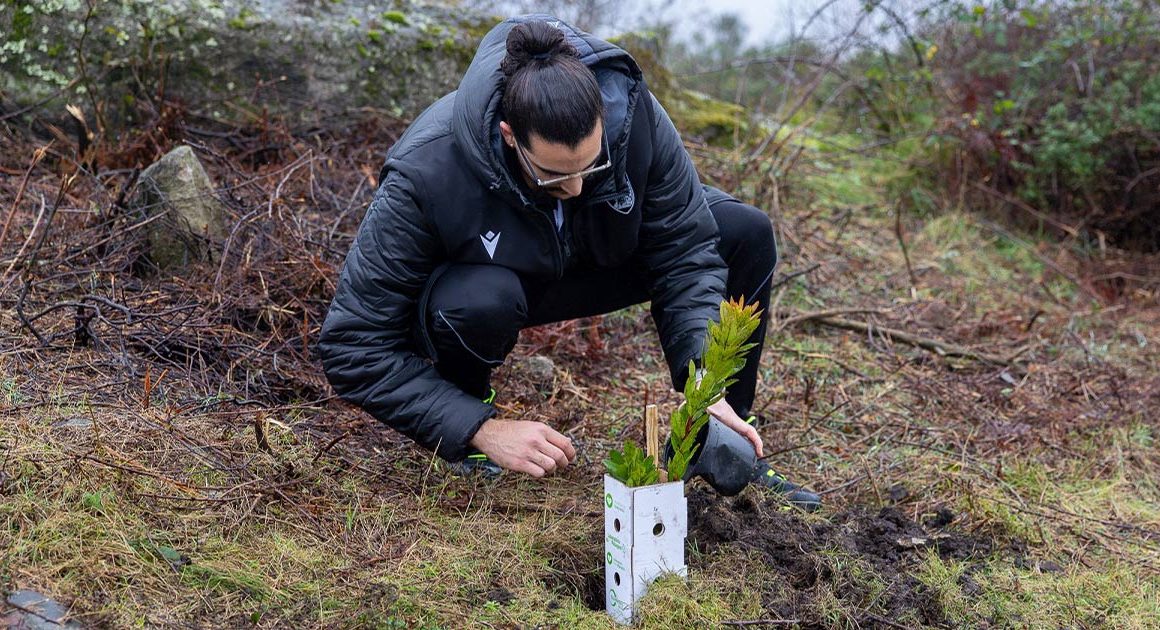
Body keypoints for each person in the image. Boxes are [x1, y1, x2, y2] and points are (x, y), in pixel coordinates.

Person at [318, 15, 816, 504]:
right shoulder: (427, 168)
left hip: (598, 257)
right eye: (554, 177)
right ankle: (470, 424)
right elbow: (353, 344)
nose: (576, 188)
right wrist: (481, 427)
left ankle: (719, 435)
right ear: (511, 135)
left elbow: (685, 251)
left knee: (742, 231)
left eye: (591, 166)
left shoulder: (631, 114)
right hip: (498, 283)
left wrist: (704, 379)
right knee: (477, 301)